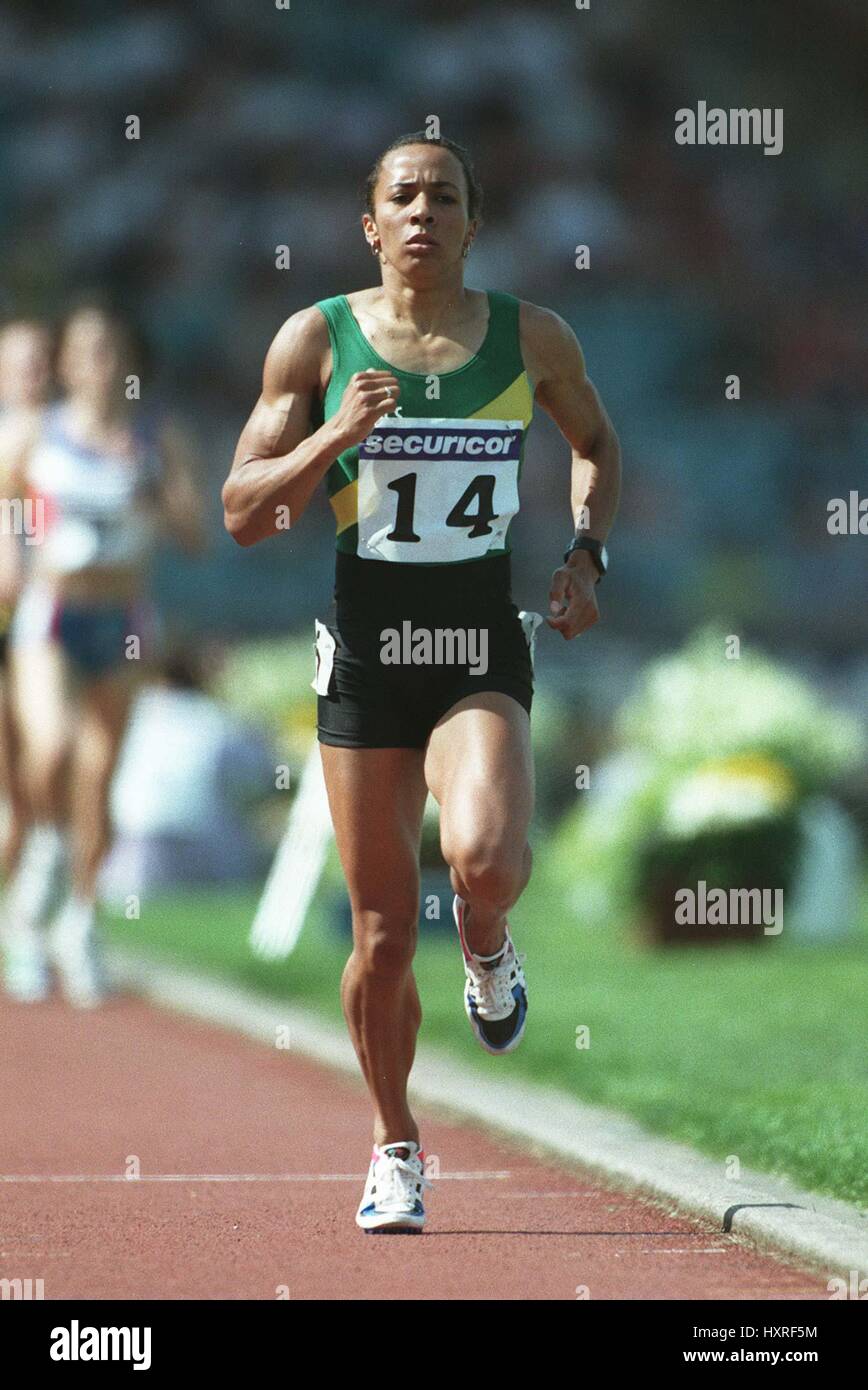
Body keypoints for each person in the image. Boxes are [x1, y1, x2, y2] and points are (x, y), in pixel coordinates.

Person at [222, 133, 621, 1232]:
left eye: (443, 196)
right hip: (366, 654)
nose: (420, 212)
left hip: (476, 644)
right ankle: (395, 1145)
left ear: (470, 222)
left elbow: (596, 442)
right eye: (400, 195)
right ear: (369, 223)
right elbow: (243, 513)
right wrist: (332, 439)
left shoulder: (531, 335)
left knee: (485, 859)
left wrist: (586, 555)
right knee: (384, 936)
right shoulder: (317, 340)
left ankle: (488, 943)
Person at [0, 303, 204, 1005]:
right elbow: (8, 500)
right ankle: (38, 879)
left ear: (130, 361)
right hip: (53, 611)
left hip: (123, 616)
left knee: (99, 774)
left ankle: (78, 921)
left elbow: (195, 532)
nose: (100, 363)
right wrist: (13, 548)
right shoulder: (37, 431)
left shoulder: (155, 436)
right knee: (50, 748)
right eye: (86, 349)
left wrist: (155, 487)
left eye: (112, 349)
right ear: (64, 362)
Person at [0, 319, 55, 879]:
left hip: (47, 614)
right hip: (4, 615)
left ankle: (40, 877)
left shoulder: (71, 436)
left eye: (40, 359)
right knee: (9, 775)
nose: (30, 372)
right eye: (17, 362)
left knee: (43, 756)